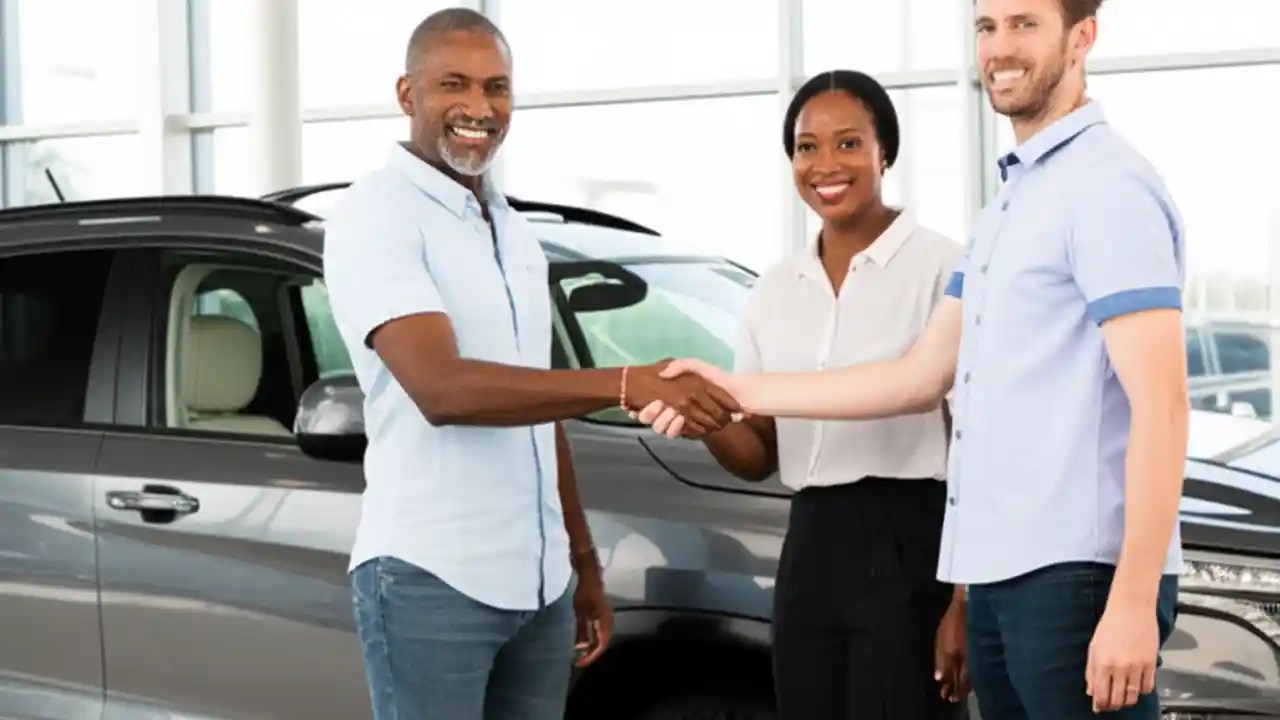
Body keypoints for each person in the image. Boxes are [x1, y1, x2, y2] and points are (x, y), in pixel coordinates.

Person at [646, 0, 1186, 717]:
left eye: (1025, 23)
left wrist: (1134, 600)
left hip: (1075, 570)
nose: (999, 48)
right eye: (986, 28)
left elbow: (1164, 405)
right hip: (1003, 570)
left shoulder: (1106, 187)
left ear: (1083, 36)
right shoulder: (1011, 203)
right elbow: (916, 376)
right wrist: (729, 386)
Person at [322, 9, 740, 720]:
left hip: (538, 590)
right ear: (406, 94)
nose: (479, 109)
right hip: (431, 578)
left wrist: (579, 561)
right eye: (454, 84)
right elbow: (443, 389)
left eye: (497, 87)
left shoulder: (511, 229)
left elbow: (539, 407)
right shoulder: (377, 213)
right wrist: (623, 383)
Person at [643, 69, 969, 718]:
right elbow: (756, 453)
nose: (825, 164)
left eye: (848, 144)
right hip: (812, 544)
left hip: (915, 540)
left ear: (886, 152)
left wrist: (964, 599)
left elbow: (977, 444)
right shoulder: (774, 289)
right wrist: (703, 412)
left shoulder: (947, 268)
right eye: (806, 146)